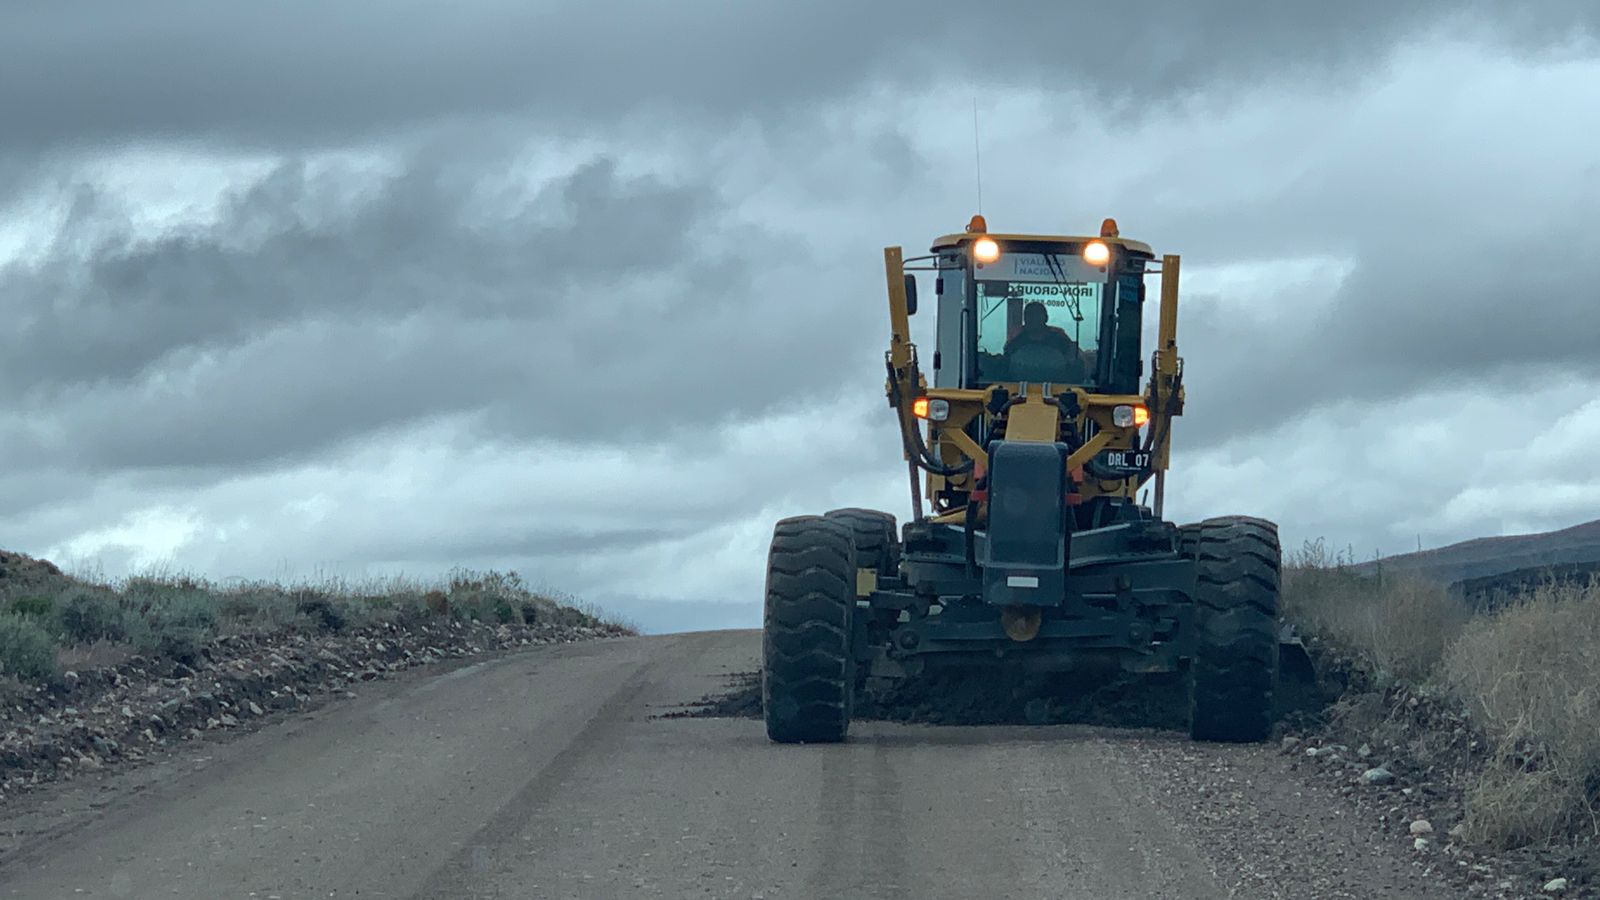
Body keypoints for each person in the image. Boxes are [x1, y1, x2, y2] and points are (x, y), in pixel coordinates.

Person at [1003, 300, 1088, 382]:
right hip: (1016, 388)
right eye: (1029, 315)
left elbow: (1075, 360)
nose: (1033, 319)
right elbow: (1005, 364)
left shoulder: (1060, 338)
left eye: (1037, 315)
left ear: (1046, 318)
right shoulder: (1015, 339)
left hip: (1058, 388)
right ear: (1024, 319)